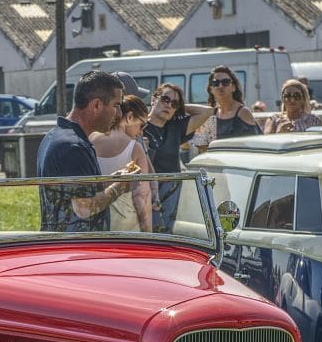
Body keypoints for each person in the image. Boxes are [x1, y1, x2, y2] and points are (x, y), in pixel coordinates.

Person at [36, 70, 136, 233]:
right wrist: (120, 186)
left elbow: (75, 192)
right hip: (75, 251)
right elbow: (84, 207)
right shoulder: (72, 147)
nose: (119, 114)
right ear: (96, 105)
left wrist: (113, 179)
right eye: (116, 105)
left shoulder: (56, 135)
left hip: (65, 248)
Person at [144, 83, 212, 231]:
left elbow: (207, 112)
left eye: (174, 103)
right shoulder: (139, 127)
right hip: (145, 193)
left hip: (172, 194)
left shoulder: (175, 127)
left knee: (169, 238)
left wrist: (181, 107)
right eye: (165, 99)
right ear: (153, 99)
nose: (169, 105)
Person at [91, 94, 154, 231]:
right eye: (141, 125)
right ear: (130, 117)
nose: (141, 132)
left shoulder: (90, 141)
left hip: (95, 225)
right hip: (127, 228)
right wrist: (148, 232)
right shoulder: (135, 148)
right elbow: (142, 196)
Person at [192, 65, 261, 154]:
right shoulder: (211, 114)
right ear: (211, 89)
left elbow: (255, 146)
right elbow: (203, 148)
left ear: (233, 87)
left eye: (225, 82)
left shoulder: (243, 112)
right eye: (215, 83)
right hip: (218, 164)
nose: (220, 86)